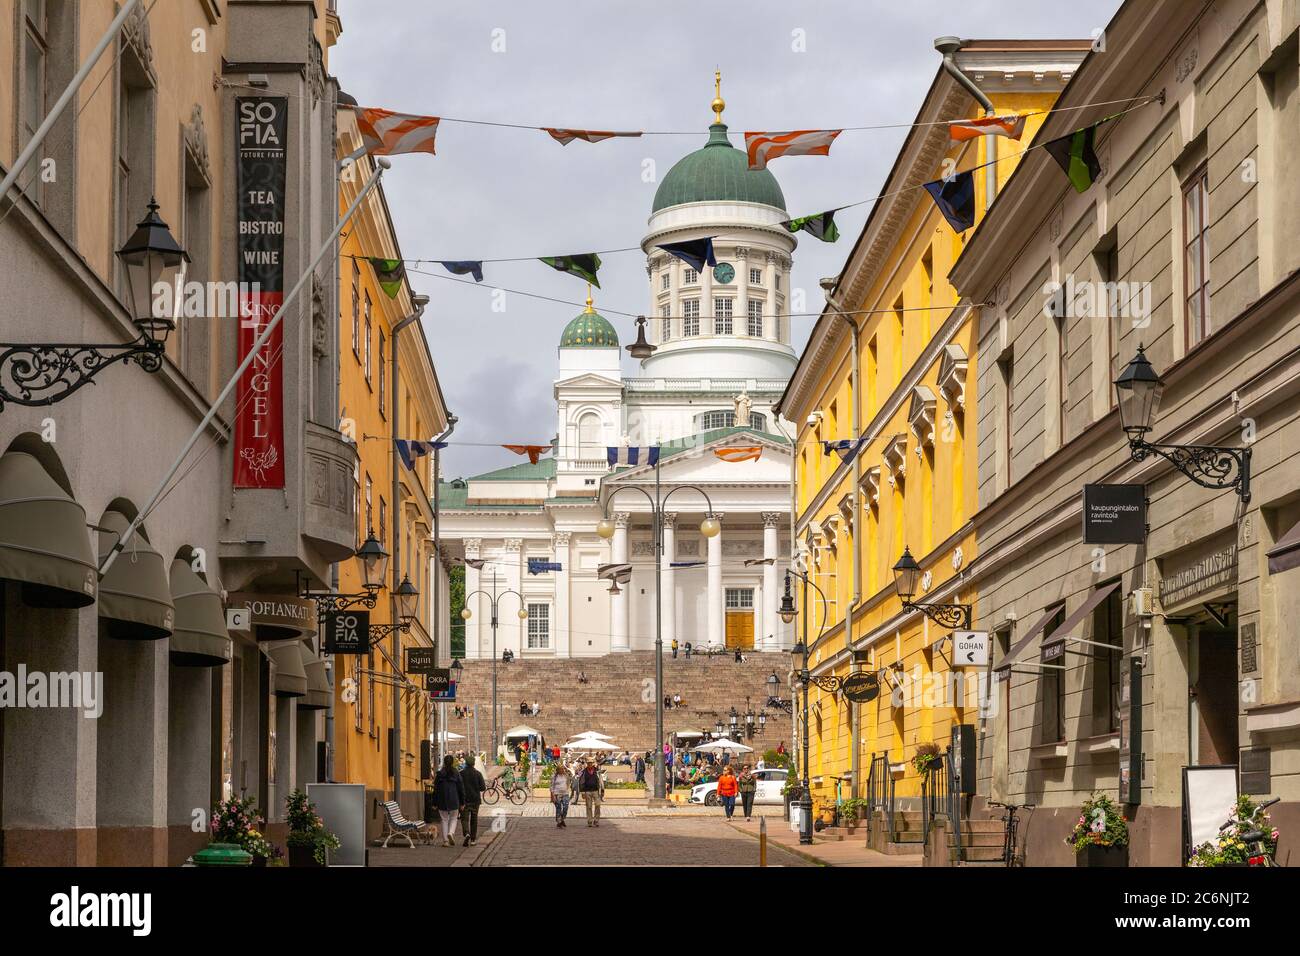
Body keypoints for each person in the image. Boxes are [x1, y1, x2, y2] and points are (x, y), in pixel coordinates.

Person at [432, 754, 466, 846]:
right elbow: (461, 788)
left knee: (444, 820)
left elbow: (435, 789)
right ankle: (451, 833)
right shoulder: (456, 773)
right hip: (454, 799)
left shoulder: (439, 774)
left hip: (442, 799)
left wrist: (434, 802)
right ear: (452, 763)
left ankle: (445, 841)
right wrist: (462, 802)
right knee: (454, 818)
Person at [459, 754, 486, 846]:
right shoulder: (478, 774)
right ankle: (473, 839)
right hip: (475, 800)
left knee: (464, 819)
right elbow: (483, 788)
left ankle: (466, 833)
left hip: (464, 800)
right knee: (474, 820)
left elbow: (458, 787)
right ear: (474, 764)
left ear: (466, 763)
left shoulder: (461, 773)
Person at [577, 759, 604, 826]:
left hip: (596, 791)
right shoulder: (584, 771)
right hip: (587, 791)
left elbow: (601, 780)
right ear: (587, 763)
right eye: (588, 763)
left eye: (591, 763)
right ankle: (589, 821)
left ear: (593, 763)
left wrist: (602, 789)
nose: (590, 764)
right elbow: (581, 781)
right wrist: (582, 792)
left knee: (598, 805)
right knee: (589, 806)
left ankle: (596, 820)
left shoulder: (597, 771)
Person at [550, 762, 573, 828]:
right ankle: (559, 821)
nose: (562, 770)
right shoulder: (554, 777)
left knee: (566, 807)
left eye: (563, 769)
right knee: (558, 808)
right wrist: (552, 796)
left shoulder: (566, 775)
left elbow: (569, 781)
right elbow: (551, 786)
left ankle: (562, 819)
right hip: (557, 794)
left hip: (565, 793)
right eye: (561, 769)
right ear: (558, 770)